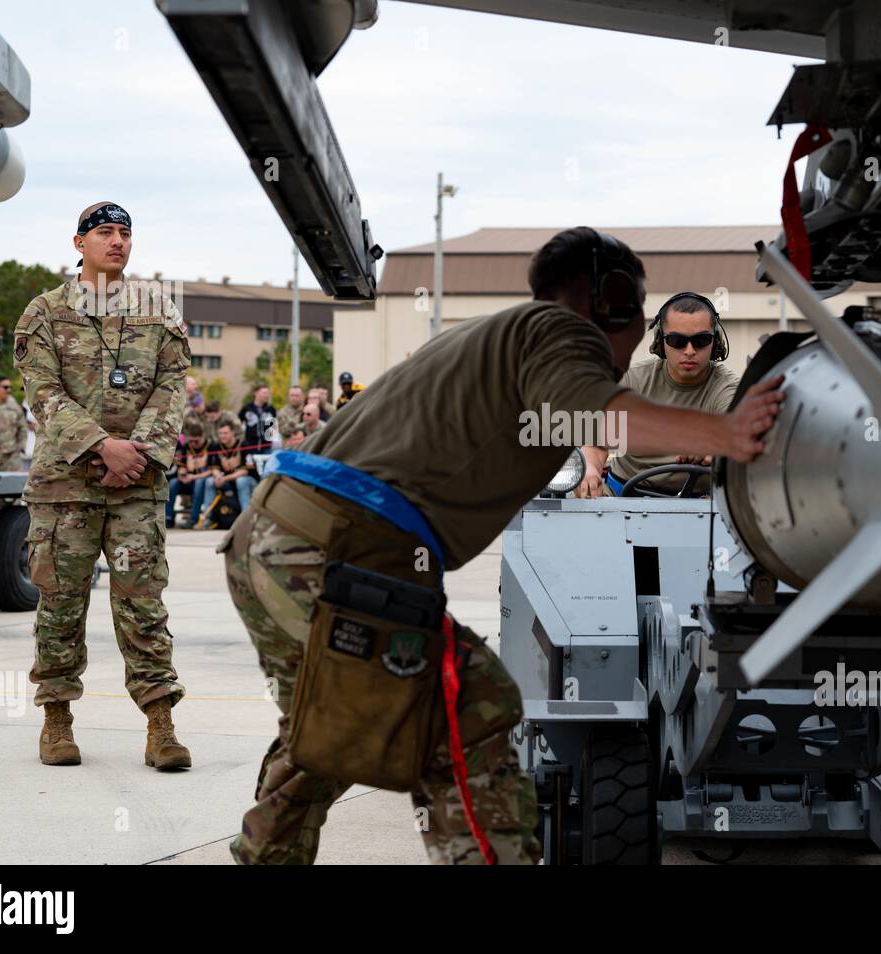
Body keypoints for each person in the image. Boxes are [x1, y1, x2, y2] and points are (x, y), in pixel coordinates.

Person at [220, 226, 784, 865]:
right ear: (615, 301)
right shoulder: (561, 335)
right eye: (646, 321)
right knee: (474, 711)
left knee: (340, 720)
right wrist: (729, 434)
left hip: (284, 539)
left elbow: (576, 416)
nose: (652, 345)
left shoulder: (503, 337)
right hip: (338, 547)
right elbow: (602, 410)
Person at [13, 200, 192, 771]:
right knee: (61, 603)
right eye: (105, 232)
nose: (117, 241)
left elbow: (173, 387)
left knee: (143, 603)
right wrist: (101, 447)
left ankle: (161, 727)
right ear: (78, 243)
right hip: (66, 486)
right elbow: (41, 391)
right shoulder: (44, 312)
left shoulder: (158, 311)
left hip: (136, 483)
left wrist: (133, 454)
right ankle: (57, 721)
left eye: (125, 233)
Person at [578, 291, 739, 496]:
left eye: (700, 340)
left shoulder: (727, 389)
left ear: (714, 341)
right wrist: (590, 468)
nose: (689, 350)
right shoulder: (631, 382)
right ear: (661, 341)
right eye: (677, 340)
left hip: (701, 507)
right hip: (622, 497)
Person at [201, 421, 256, 521]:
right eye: (220, 433)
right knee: (210, 481)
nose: (222, 436)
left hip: (248, 480)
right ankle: (206, 519)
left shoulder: (244, 445)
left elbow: (246, 471)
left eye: (225, 433)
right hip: (227, 481)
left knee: (241, 481)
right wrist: (218, 476)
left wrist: (224, 478)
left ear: (233, 433)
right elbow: (214, 468)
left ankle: (246, 520)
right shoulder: (216, 446)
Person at [167, 422, 214, 528]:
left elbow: (212, 471)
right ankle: (168, 517)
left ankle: (193, 519)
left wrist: (193, 477)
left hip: (201, 481)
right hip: (188, 480)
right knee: (173, 482)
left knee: (199, 482)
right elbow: (181, 466)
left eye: (196, 441)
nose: (193, 444)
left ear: (203, 436)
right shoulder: (186, 447)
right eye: (191, 441)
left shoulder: (211, 446)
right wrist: (181, 475)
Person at [239, 385, 277, 456]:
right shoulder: (247, 408)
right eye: (264, 393)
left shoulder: (271, 409)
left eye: (268, 393)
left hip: (266, 447)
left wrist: (270, 439)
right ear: (256, 393)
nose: (266, 395)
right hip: (250, 446)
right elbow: (238, 423)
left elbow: (273, 429)